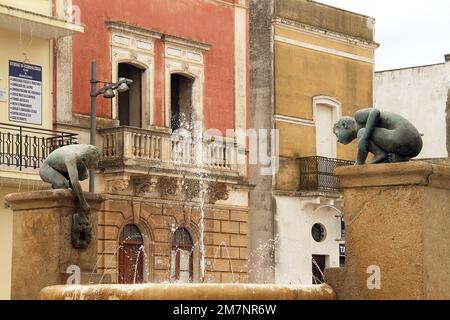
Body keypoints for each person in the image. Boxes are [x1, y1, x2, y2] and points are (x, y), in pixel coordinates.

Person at [333, 108, 423, 165]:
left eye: (337, 134)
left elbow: (375, 112)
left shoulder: (358, 116)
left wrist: (359, 163)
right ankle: (400, 157)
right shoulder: (374, 136)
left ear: (344, 125)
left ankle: (380, 155)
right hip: (415, 146)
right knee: (364, 134)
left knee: (362, 133)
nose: (338, 140)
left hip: (402, 136)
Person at [39, 144, 101, 212]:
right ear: (86, 158)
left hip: (61, 168)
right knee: (63, 184)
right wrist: (83, 203)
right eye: (94, 161)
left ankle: (67, 183)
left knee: (84, 175)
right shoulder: (71, 157)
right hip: (46, 168)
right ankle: (54, 197)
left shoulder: (82, 152)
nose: (96, 164)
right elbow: (74, 182)